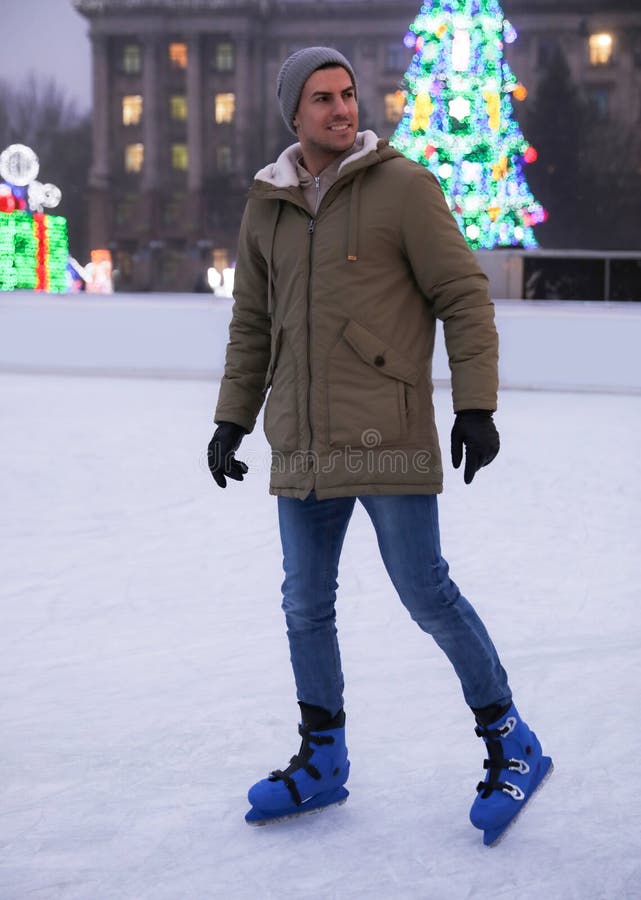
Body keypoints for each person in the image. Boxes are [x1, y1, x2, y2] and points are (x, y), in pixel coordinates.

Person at [208, 47, 552, 844]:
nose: (340, 108)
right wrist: (231, 419)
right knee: (304, 606)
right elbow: (252, 325)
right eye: (322, 98)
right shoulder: (266, 205)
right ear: (292, 115)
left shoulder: (403, 188)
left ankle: (512, 742)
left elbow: (464, 296)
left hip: (385, 431)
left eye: (348, 94)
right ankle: (321, 757)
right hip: (299, 439)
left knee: (425, 593)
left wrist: (474, 406)